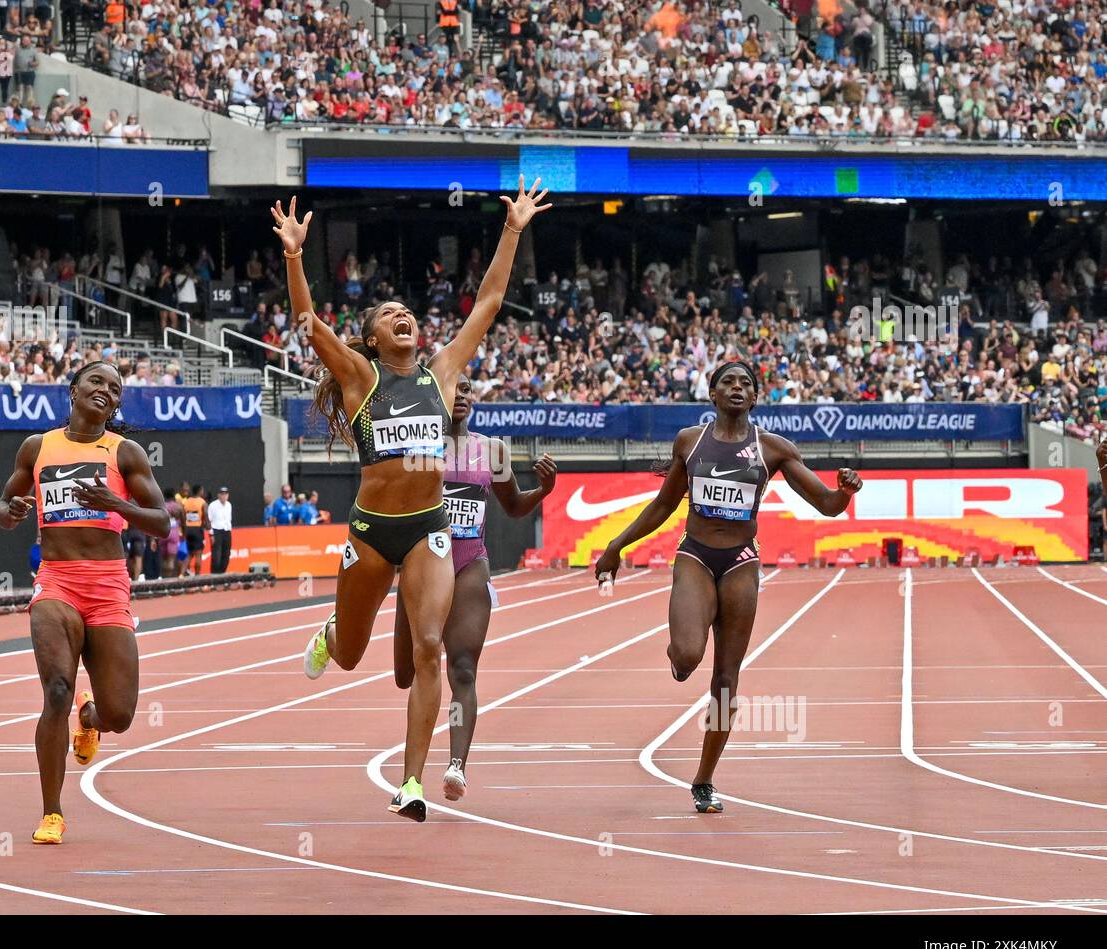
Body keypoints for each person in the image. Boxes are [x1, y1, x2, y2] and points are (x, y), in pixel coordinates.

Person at [277, 176, 551, 820]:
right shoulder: (359, 376)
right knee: (350, 656)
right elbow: (307, 322)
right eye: (388, 315)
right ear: (371, 337)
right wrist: (294, 254)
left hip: (429, 530)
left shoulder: (444, 372)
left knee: (429, 648)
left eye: (408, 312)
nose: (404, 316)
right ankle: (333, 632)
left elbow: (487, 302)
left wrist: (512, 229)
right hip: (372, 533)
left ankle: (412, 782)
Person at [595, 360, 863, 814]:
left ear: (756, 398)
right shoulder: (690, 442)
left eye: (745, 384)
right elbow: (664, 505)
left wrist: (845, 492)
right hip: (696, 555)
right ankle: (678, 656)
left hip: (740, 562)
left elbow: (826, 504)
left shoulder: (773, 449)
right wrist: (617, 545)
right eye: (727, 382)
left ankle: (703, 780)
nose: (737, 388)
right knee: (687, 656)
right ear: (712, 396)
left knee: (725, 680)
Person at [0, 360, 169, 845]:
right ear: (73, 390)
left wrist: (116, 505)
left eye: (115, 389)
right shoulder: (38, 447)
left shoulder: (126, 453)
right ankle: (52, 812)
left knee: (121, 715)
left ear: (115, 405)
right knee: (56, 690)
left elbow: (161, 522)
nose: (106, 390)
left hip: (109, 584)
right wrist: (11, 511)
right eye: (96, 381)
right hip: (57, 580)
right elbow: (3, 510)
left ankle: (90, 719)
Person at [393, 373, 556, 800]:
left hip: (470, 565)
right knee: (404, 672)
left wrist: (544, 490)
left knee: (462, 667)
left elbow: (516, 506)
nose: (461, 396)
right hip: (422, 566)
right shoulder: (416, 452)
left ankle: (456, 766)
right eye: (452, 389)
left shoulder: (493, 452)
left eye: (467, 389)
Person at [180, 484, 207, 575]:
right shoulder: (202, 502)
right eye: (202, 490)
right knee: (198, 554)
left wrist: (184, 531)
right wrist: (208, 526)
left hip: (188, 530)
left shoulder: (186, 502)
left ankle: (181, 575)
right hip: (197, 530)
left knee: (190, 554)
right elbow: (206, 518)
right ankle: (197, 577)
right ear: (200, 491)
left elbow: (183, 517)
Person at [207, 486, 232, 575]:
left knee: (226, 554)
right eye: (222, 494)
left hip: (227, 530)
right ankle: (214, 574)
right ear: (218, 495)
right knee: (216, 555)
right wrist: (211, 534)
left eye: (226, 494)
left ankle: (222, 573)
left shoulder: (229, 505)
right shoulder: (213, 505)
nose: (224, 496)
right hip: (216, 531)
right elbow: (208, 521)